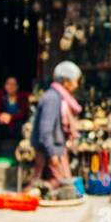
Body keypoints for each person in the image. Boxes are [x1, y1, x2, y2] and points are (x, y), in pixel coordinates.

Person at [30, 61, 83, 196]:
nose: (76, 85)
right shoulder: (52, 98)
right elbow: (45, 130)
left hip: (55, 149)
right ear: (66, 82)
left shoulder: (58, 97)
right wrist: (52, 153)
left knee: (60, 186)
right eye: (75, 81)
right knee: (57, 185)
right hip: (50, 151)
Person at [0, 76, 31, 158]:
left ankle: (19, 151)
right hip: (4, 125)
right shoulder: (0, 94)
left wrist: (11, 117)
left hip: (16, 126)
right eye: (8, 84)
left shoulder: (22, 96)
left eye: (13, 84)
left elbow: (24, 112)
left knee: (22, 125)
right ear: (5, 86)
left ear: (17, 86)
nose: (11, 86)